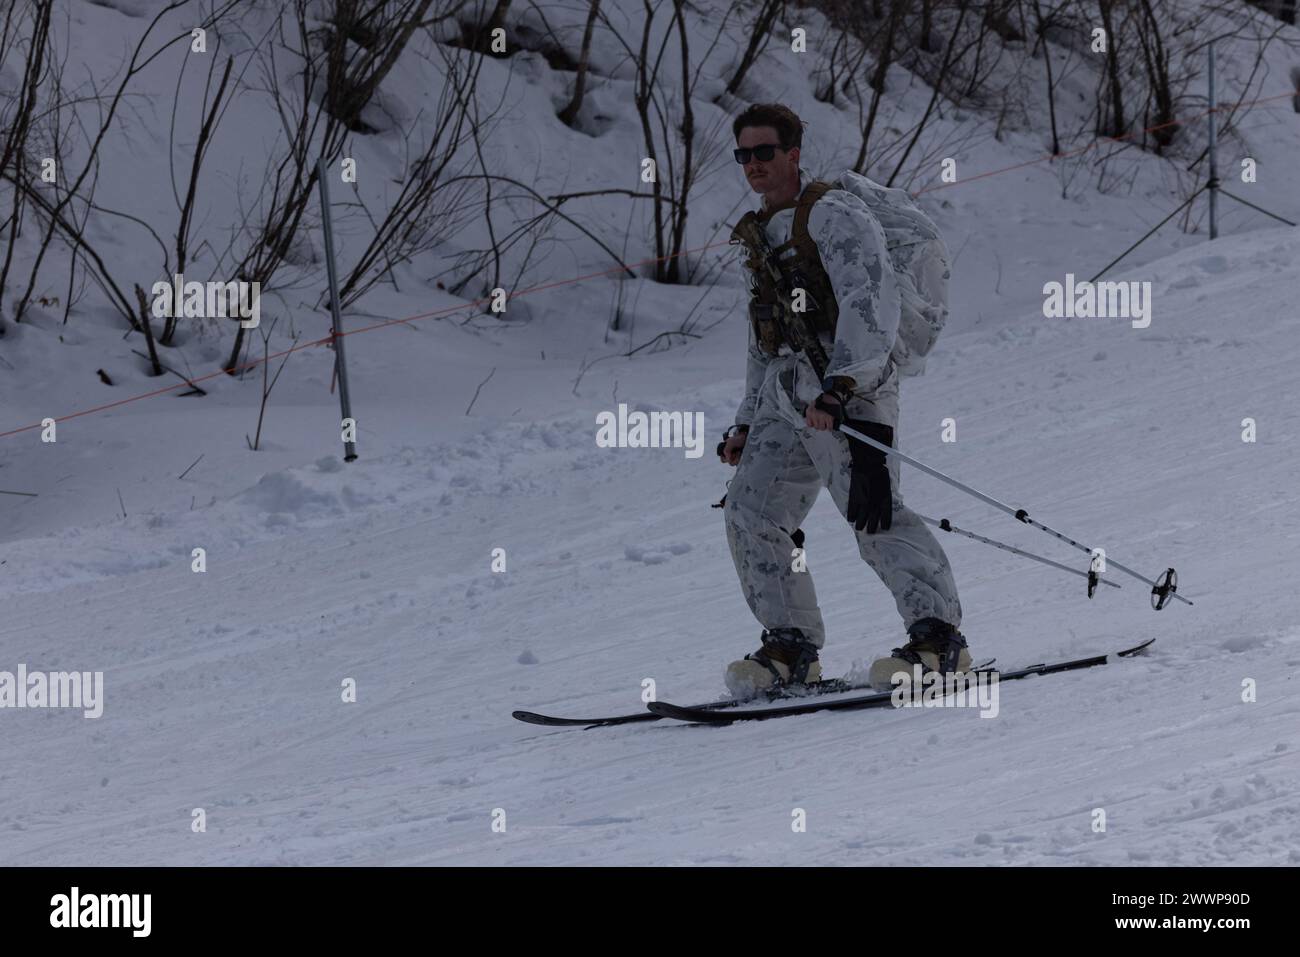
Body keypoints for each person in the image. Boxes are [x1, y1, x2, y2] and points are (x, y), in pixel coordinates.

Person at [720, 102, 967, 697]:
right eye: (744, 155)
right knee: (752, 513)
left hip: (851, 389)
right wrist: (747, 421)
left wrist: (842, 386)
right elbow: (764, 337)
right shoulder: (758, 233)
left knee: (872, 510)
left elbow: (870, 302)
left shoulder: (833, 215)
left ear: (793, 154)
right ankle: (791, 647)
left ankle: (938, 640)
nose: (754, 165)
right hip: (788, 396)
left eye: (765, 153)